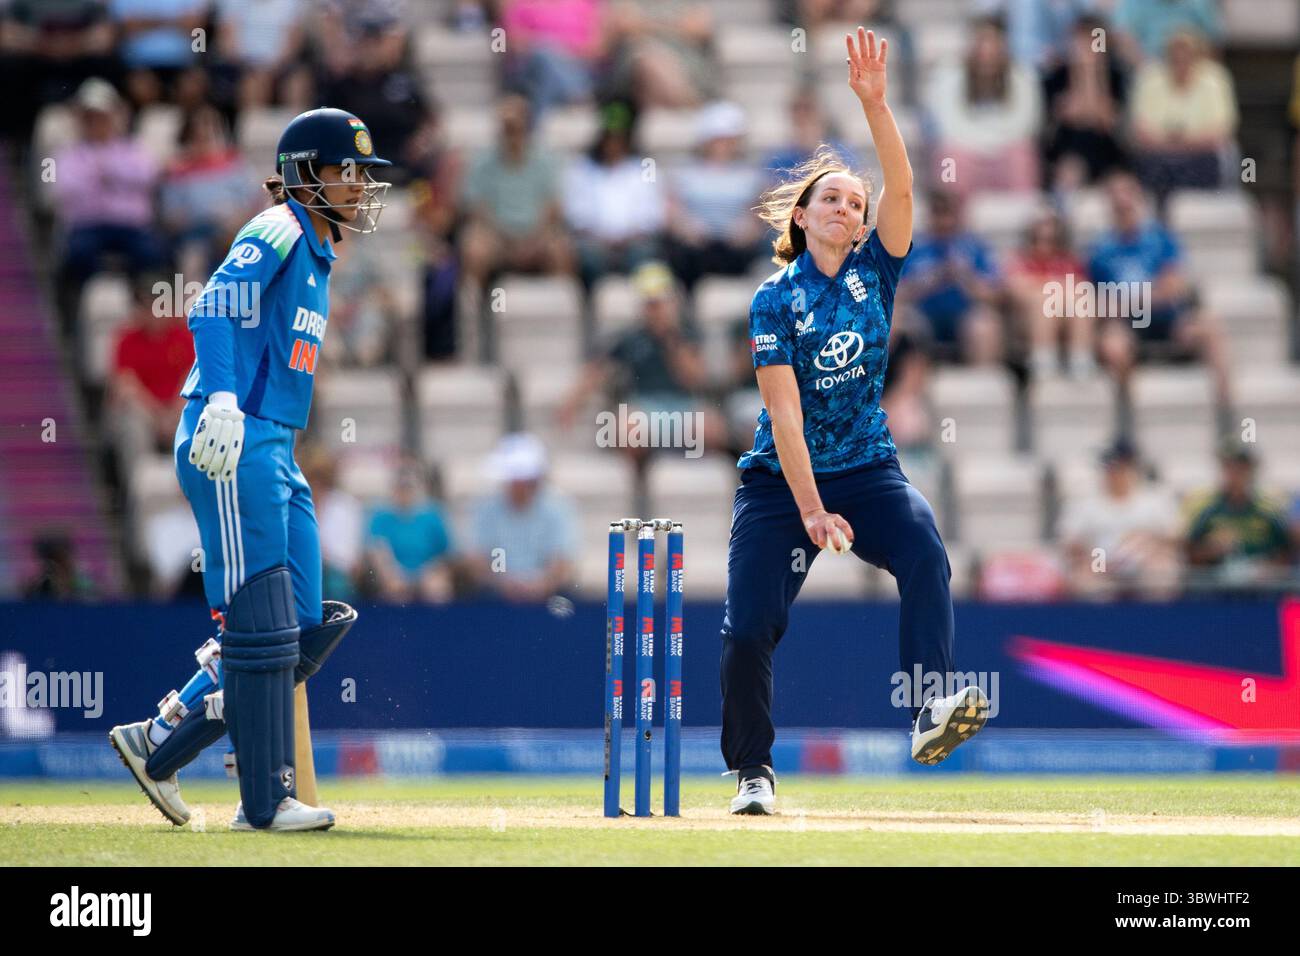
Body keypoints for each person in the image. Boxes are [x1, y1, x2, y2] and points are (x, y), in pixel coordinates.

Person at [721, 29, 988, 817]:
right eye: (830, 197)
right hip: (783, 481)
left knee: (924, 550)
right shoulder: (774, 299)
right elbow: (784, 415)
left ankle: (930, 710)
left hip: (868, 469)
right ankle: (753, 773)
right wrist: (809, 511)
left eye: (855, 202)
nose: (847, 206)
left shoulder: (878, 269)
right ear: (802, 216)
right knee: (748, 630)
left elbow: (903, 186)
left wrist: (874, 105)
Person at [108, 108, 393, 832]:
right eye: (345, 171)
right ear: (305, 174)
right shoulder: (280, 226)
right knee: (262, 625)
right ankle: (263, 803)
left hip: (276, 447)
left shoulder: (321, 253)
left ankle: (158, 742)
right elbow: (212, 309)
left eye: (363, 173)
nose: (359, 186)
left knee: (300, 628)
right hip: (232, 437)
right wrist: (226, 401)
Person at [1185, 444, 1294, 590]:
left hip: (1264, 590)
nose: (1235, 475)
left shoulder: (1267, 510)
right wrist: (1212, 550)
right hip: (1217, 590)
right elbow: (1190, 554)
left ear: (1250, 472)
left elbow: (1286, 551)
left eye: (1240, 469)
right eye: (1229, 469)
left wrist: (1268, 568)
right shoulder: (1208, 510)